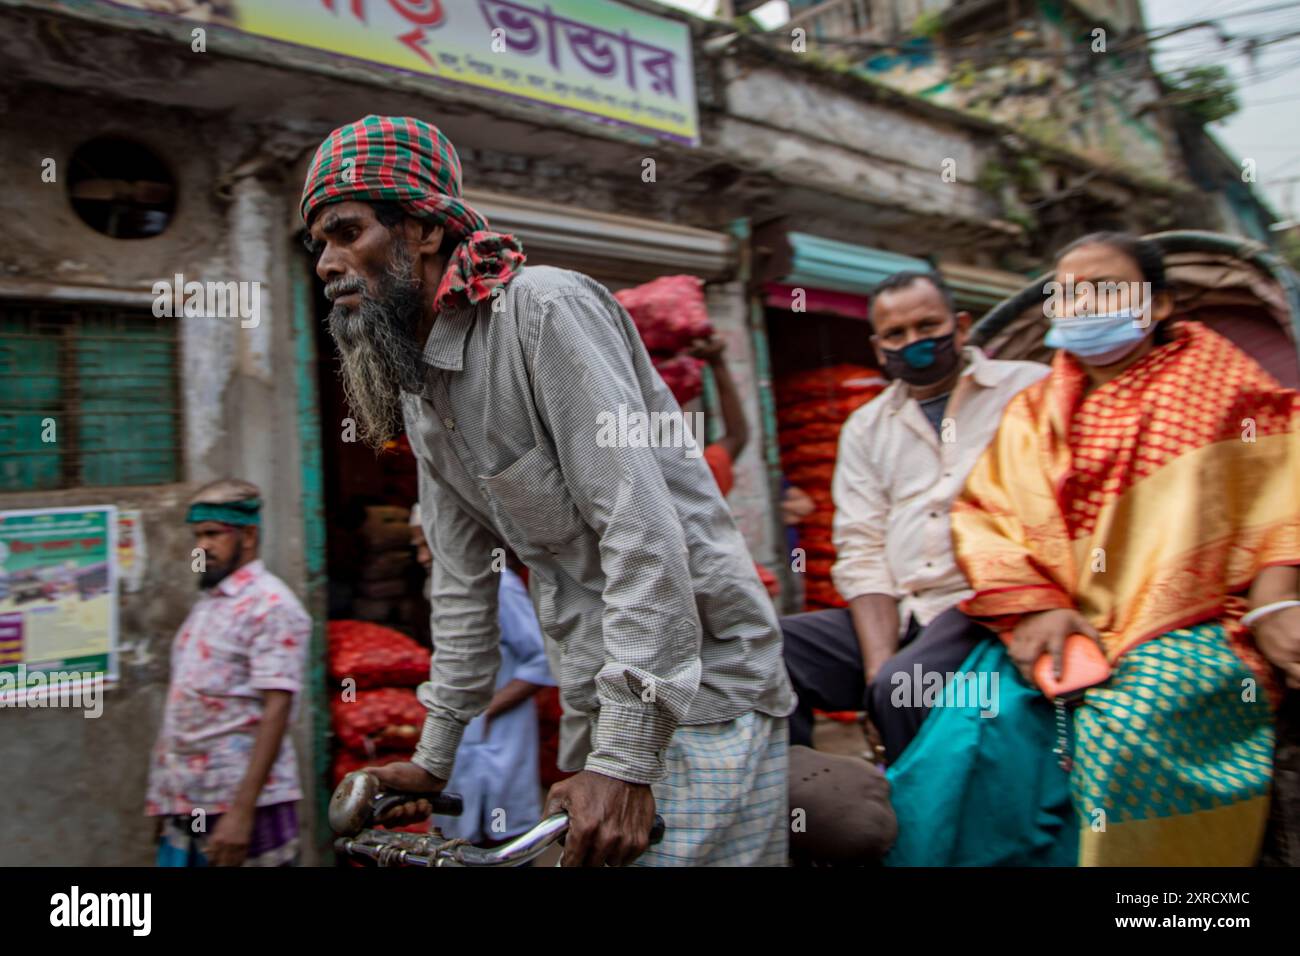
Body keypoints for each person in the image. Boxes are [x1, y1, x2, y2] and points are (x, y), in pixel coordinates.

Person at [301, 115, 794, 867]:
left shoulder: (544, 311)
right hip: (600, 701)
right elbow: (463, 585)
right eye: (320, 246)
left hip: (702, 698)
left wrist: (627, 764)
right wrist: (435, 757)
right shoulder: (421, 393)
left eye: (346, 231)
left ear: (425, 230)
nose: (328, 263)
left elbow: (643, 533)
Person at [951, 232, 1300, 865]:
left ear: (1159, 304)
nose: (1084, 305)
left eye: (1106, 289)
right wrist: (1035, 609)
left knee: (1132, 724)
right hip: (1055, 620)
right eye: (1067, 293)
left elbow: (1284, 484)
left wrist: (1274, 602)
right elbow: (985, 516)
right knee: (965, 728)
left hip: (1196, 619)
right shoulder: (1032, 411)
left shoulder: (1217, 377)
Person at [780, 270, 1048, 761]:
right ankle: (803, 804)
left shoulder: (1028, 390)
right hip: (902, 611)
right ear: (879, 347)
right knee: (769, 649)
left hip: (985, 603)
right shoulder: (865, 426)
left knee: (905, 687)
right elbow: (861, 547)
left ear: (961, 326)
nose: (914, 343)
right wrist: (875, 665)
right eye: (896, 335)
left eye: (928, 326)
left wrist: (886, 681)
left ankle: (918, 822)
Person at [146, 480, 310, 867]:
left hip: (242, 806)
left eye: (213, 535)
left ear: (248, 535)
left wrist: (241, 813)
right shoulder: (210, 603)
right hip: (188, 801)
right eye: (198, 535)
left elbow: (277, 709)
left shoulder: (271, 606)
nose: (201, 546)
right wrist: (165, 796)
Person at [409, 506, 554, 844]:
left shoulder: (498, 586)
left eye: (425, 546)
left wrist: (486, 709)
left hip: (500, 742)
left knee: (503, 844)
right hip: (467, 750)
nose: (420, 557)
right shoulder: (452, 592)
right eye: (416, 547)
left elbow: (541, 660)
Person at [687, 333, 779, 597]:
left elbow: (736, 436)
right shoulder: (693, 477)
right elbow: (737, 435)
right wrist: (717, 363)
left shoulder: (695, 475)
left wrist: (717, 363)